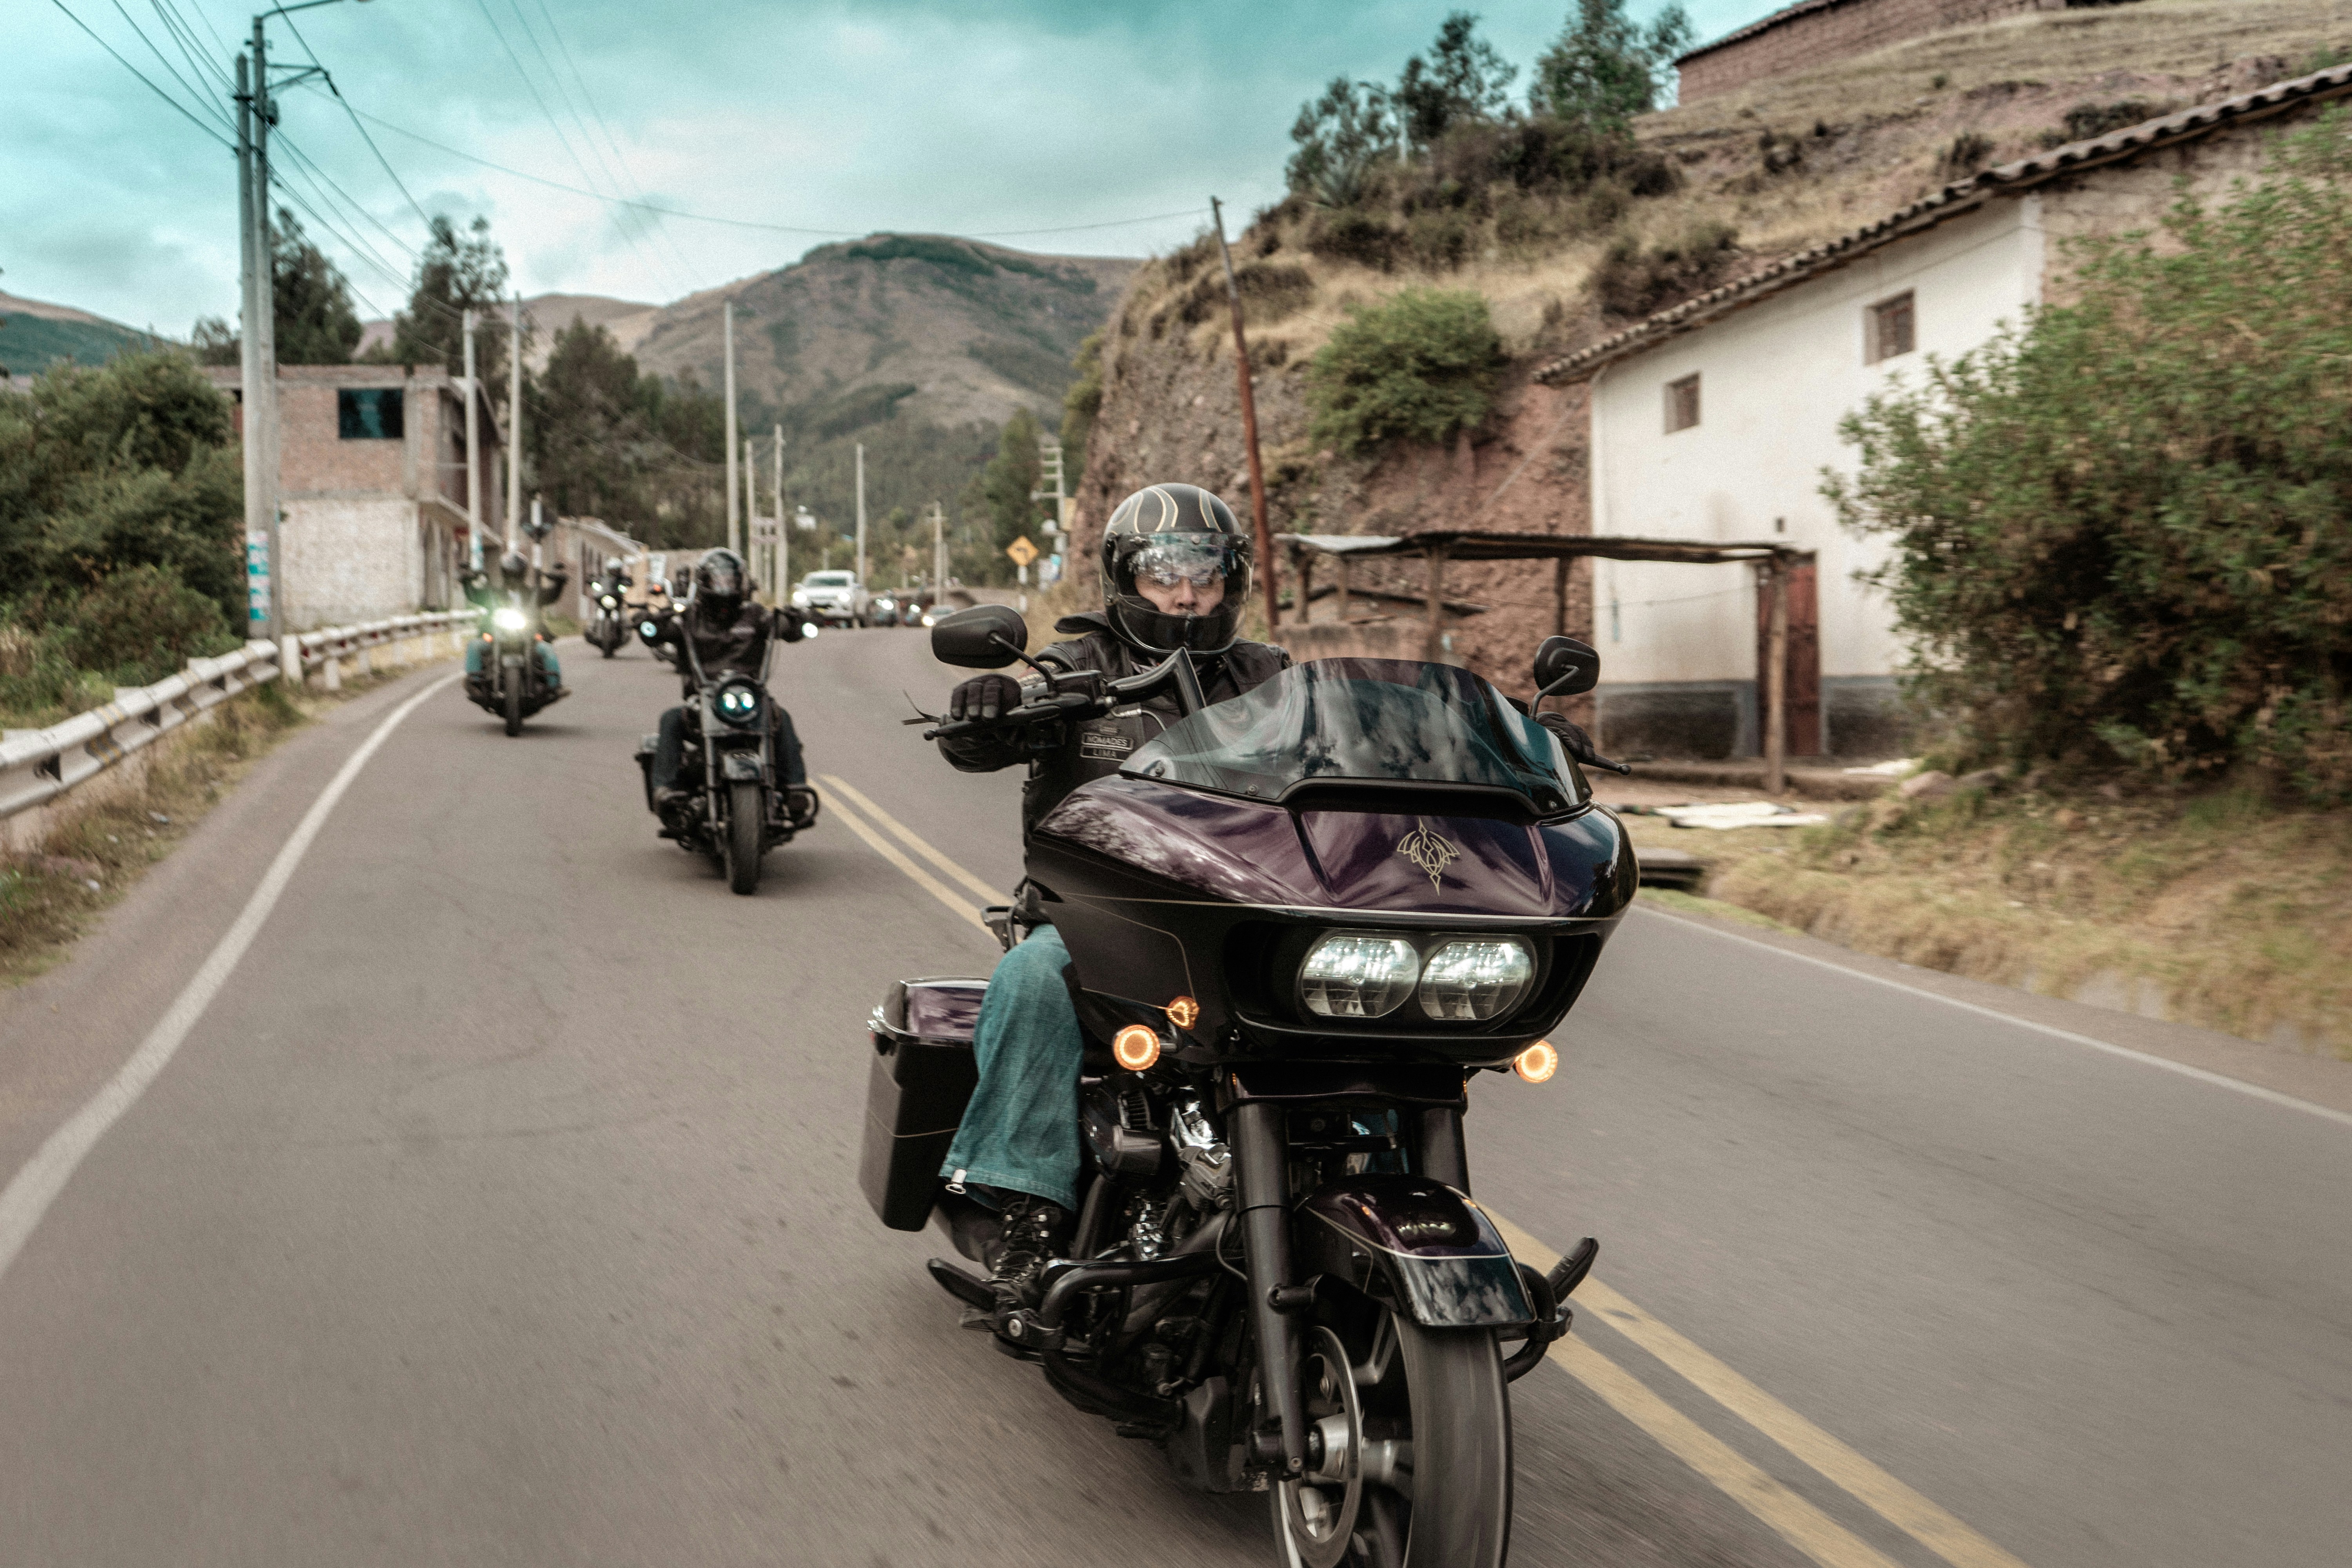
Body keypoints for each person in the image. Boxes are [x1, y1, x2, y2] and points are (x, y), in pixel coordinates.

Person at [932, 482, 1290, 1326]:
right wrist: (984, 713)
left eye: (1205, 567)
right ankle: (1028, 1215)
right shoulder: (1079, 664)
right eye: (1165, 569)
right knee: (1032, 974)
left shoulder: (1269, 674)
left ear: (1232, 576)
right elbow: (984, 745)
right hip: (1103, 919)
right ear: (1128, 576)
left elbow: (1355, 742)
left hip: (1243, 916)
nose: (1187, 590)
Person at [650, 548, 817, 824]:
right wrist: (652, 626)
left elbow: (783, 627)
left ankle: (795, 789)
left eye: (730, 579)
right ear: (704, 582)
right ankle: (666, 789)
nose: (724, 585)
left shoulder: (756, 615)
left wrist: (797, 622)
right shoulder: (689, 618)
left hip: (749, 696)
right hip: (702, 699)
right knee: (671, 720)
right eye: (718, 580)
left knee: (780, 717)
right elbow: (660, 633)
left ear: (741, 581)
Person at [461, 550, 567, 701]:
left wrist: (559, 583)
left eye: (516, 573)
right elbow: (473, 595)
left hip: (529, 637)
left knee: (547, 649)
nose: (513, 576)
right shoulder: (493, 594)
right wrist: (466, 581)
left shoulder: (533, 594)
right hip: (495, 635)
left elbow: (552, 596)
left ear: (523, 573)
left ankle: (555, 687)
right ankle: (475, 684)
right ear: (504, 572)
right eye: (510, 572)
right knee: (474, 646)